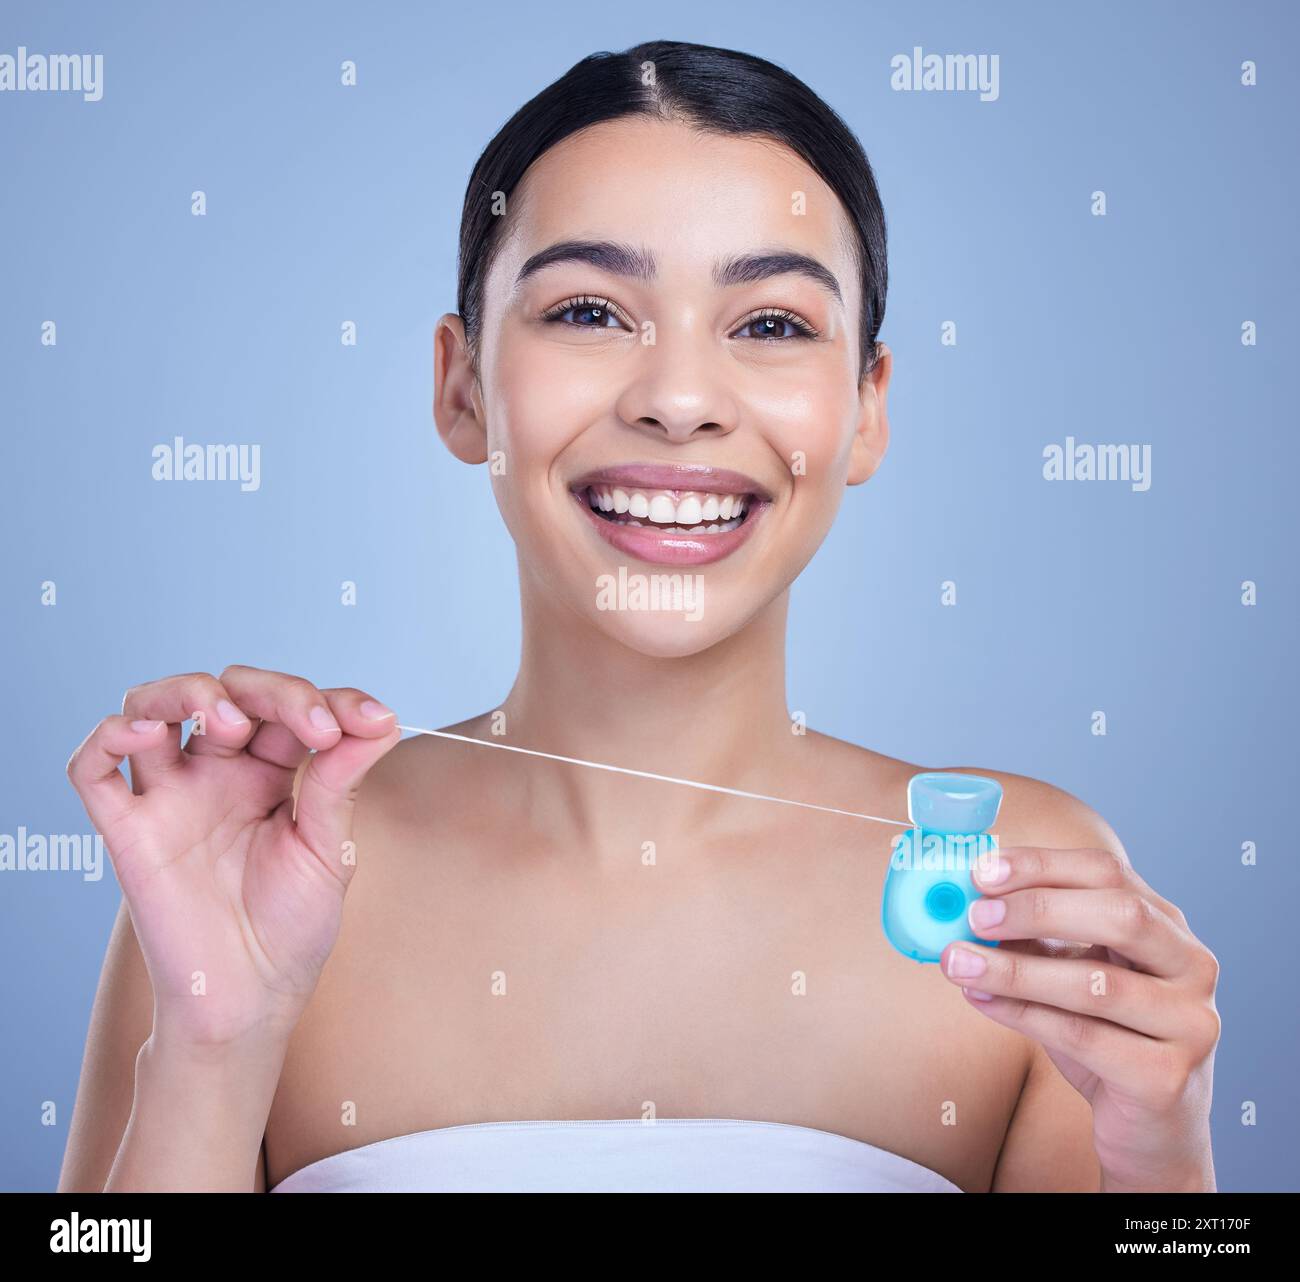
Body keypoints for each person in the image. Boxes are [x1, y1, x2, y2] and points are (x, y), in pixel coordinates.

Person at [57, 39, 1220, 1193]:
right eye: (589, 312)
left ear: (866, 411)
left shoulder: (1023, 893)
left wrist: (1163, 1167)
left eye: (769, 324)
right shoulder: (255, 879)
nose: (675, 400)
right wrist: (211, 1050)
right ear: (462, 388)